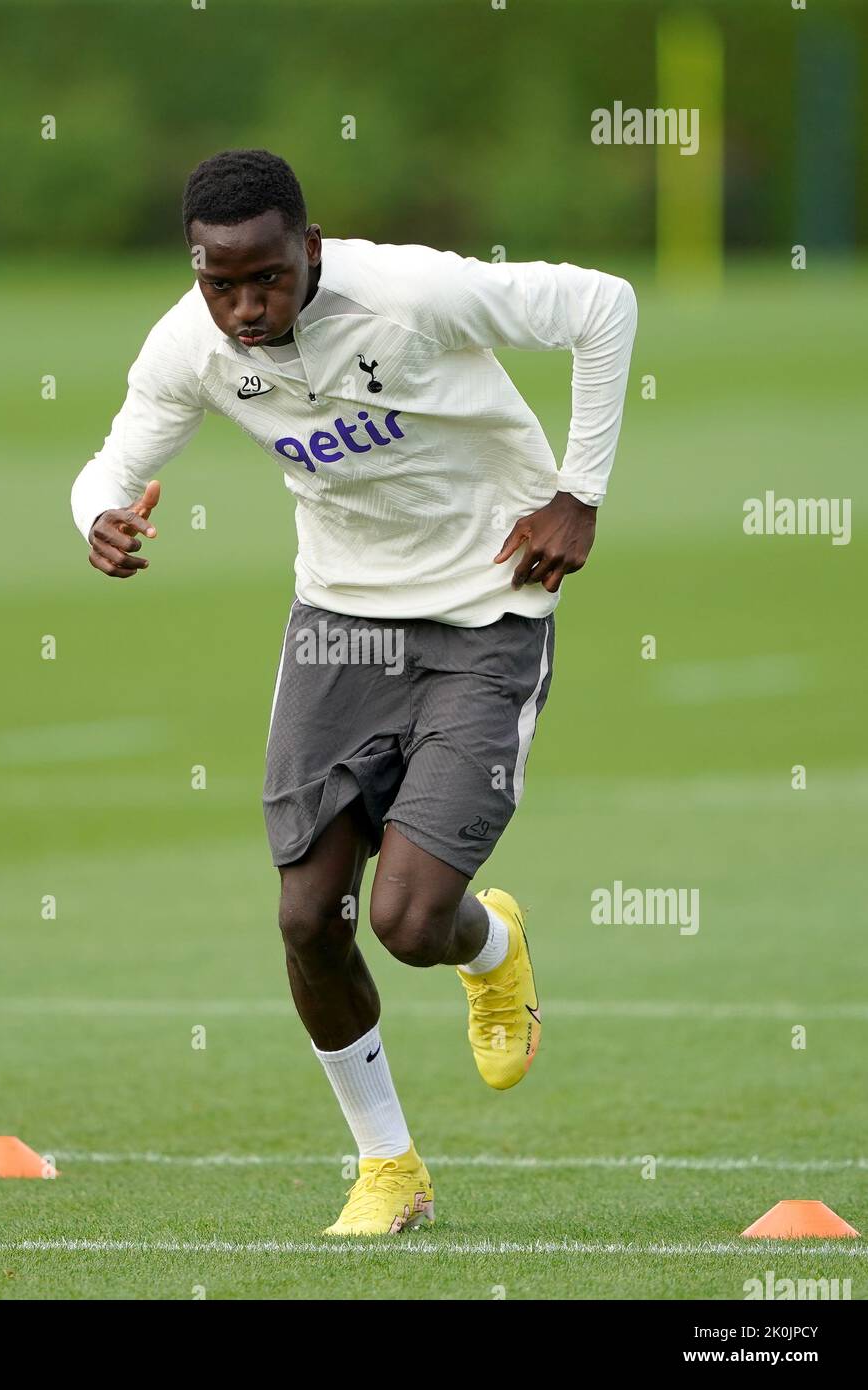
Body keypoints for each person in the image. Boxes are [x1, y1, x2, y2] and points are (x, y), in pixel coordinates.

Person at [71, 148, 637, 1235]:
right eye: (217, 281)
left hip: (487, 611)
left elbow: (601, 306)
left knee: (408, 919)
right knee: (305, 916)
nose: (244, 306)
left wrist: (580, 492)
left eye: (266, 279)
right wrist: (98, 515)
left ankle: (491, 948)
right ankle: (388, 1167)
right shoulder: (191, 346)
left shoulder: (409, 293)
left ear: (308, 247)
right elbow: (111, 461)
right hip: (338, 623)